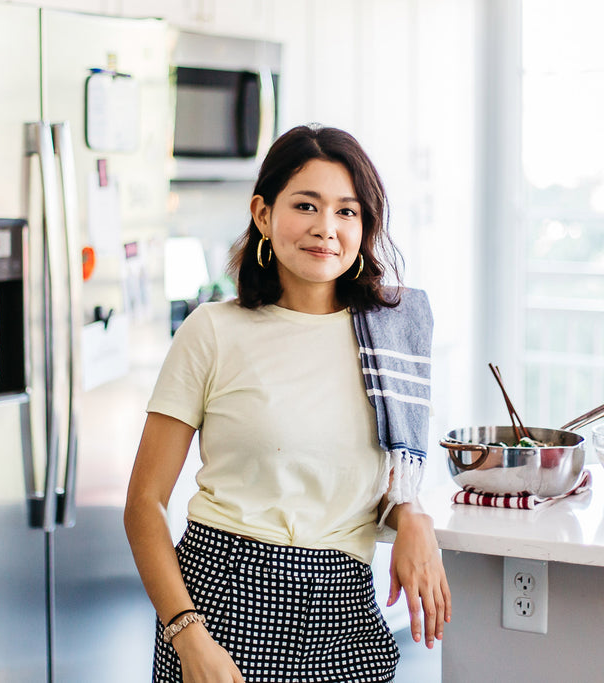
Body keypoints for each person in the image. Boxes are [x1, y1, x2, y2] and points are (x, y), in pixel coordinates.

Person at [124, 123, 451, 683]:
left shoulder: (391, 339)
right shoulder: (213, 331)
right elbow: (144, 504)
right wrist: (187, 635)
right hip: (220, 613)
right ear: (263, 215)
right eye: (307, 205)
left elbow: (369, 487)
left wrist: (412, 512)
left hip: (345, 620)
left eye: (348, 212)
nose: (327, 228)